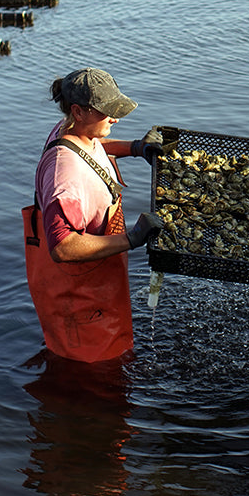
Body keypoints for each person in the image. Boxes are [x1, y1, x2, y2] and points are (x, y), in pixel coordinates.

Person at [25, 67, 164, 363]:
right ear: (78, 111)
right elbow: (63, 246)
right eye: (107, 112)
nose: (115, 118)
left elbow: (93, 147)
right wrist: (133, 238)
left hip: (97, 286)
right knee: (95, 371)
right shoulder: (65, 174)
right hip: (79, 299)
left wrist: (137, 148)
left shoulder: (70, 130)